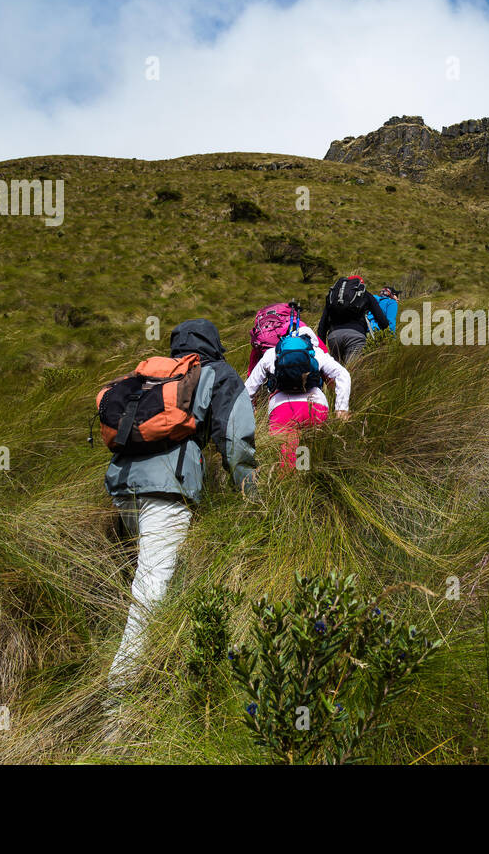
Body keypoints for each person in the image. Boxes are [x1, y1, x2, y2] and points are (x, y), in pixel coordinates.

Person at [101, 319, 256, 691]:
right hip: (167, 492)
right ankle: (117, 699)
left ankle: (152, 675)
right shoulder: (215, 373)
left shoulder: (151, 376)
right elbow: (236, 438)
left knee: (152, 579)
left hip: (123, 488)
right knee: (150, 589)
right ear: (214, 344)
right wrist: (251, 496)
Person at [246, 309, 351, 468]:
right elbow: (343, 374)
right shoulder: (317, 352)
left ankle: (292, 488)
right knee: (315, 460)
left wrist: (252, 407)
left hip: (281, 411)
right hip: (315, 407)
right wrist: (341, 408)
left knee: (287, 465)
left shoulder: (271, 353)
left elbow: (248, 389)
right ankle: (312, 485)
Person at [318, 275, 392, 363]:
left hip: (333, 338)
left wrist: (322, 349)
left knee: (336, 374)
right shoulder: (365, 294)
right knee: (353, 373)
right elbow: (382, 320)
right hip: (356, 337)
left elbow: (322, 325)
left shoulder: (333, 296)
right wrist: (384, 338)